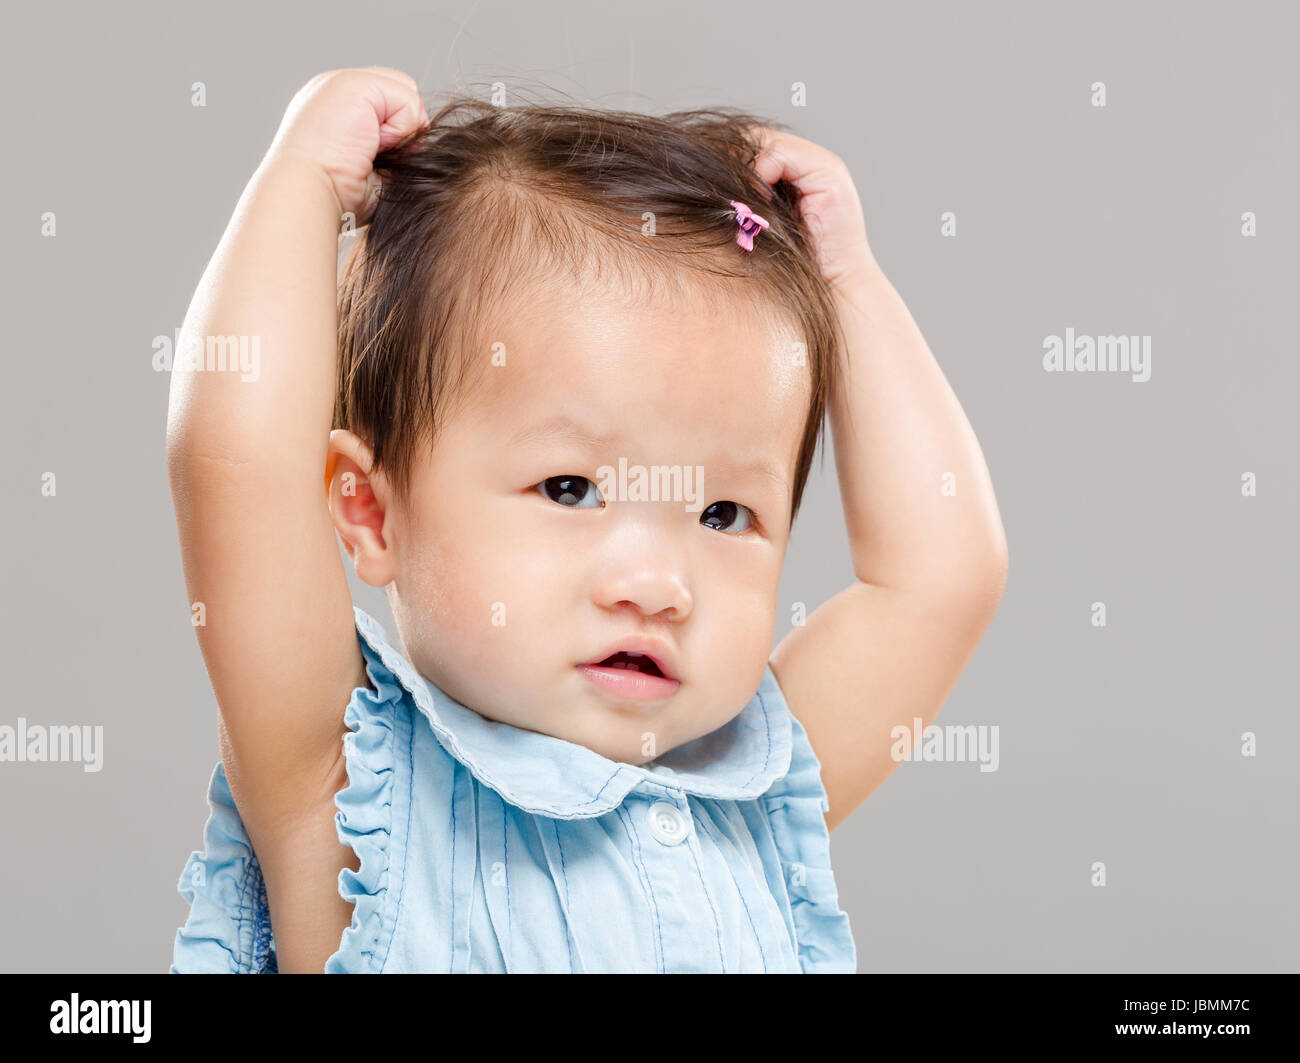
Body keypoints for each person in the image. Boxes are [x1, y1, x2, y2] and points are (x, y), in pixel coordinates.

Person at [166, 66, 1008, 973]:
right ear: (371, 511)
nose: (656, 584)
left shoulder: (754, 798)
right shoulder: (345, 790)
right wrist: (298, 183)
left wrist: (850, 282)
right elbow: (234, 466)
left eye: (723, 513)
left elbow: (940, 579)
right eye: (571, 490)